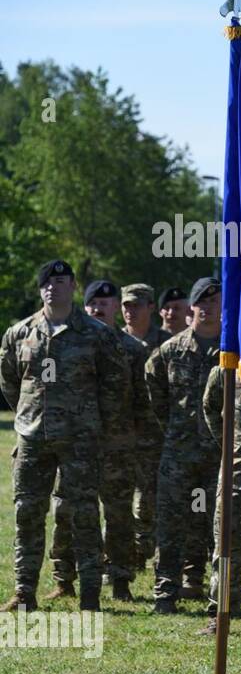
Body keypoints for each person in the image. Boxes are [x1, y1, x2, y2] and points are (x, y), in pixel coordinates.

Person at [1, 261, 127, 612]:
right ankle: (25, 592)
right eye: (46, 283)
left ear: (72, 285)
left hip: (80, 439)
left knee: (84, 513)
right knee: (27, 512)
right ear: (39, 289)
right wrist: (30, 414)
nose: (52, 288)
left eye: (59, 281)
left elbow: (115, 385)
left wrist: (93, 421)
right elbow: (10, 381)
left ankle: (89, 594)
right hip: (33, 437)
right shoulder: (19, 333)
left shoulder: (97, 334)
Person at [48, 280, 151, 602]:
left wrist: (138, 440)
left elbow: (143, 401)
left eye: (106, 302)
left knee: (119, 514)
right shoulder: (68, 342)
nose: (98, 307)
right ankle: (64, 578)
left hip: (117, 445)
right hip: (75, 445)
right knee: (66, 510)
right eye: (93, 302)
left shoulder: (133, 349)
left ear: (116, 307)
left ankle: (120, 580)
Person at [146, 277, 222, 613]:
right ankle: (166, 593)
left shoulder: (235, 349)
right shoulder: (170, 350)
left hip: (221, 453)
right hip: (178, 453)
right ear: (191, 307)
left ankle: (218, 596)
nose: (206, 307)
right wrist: (176, 428)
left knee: (217, 526)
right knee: (171, 524)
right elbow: (155, 393)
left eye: (213, 301)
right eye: (200, 302)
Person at [197, 358, 241, 633]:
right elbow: (210, 408)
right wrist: (228, 445)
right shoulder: (224, 370)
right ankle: (220, 615)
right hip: (236, 476)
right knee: (226, 550)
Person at [120, 283, 167, 570]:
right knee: (120, 500)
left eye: (137, 305)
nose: (130, 310)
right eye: (126, 305)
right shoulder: (110, 341)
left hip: (156, 434)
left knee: (152, 498)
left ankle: (151, 552)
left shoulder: (166, 343)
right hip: (120, 434)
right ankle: (127, 556)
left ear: (151, 307)